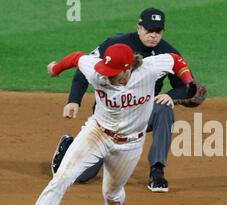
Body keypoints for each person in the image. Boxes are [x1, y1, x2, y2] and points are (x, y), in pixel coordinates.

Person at [12, 43, 201, 205]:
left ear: (128, 69)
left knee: (112, 194)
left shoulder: (150, 68)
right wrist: (56, 69)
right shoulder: (97, 71)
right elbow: (77, 57)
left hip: (129, 145)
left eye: (114, 73)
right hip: (96, 133)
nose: (107, 77)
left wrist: (188, 82)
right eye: (106, 71)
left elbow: (176, 60)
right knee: (60, 179)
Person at [51, 8, 206, 193]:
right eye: (149, 30)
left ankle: (157, 171)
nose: (153, 36)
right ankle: (70, 145)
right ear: (139, 28)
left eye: (158, 31)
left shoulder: (167, 52)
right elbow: (84, 68)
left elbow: (186, 87)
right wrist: (74, 100)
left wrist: (170, 96)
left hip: (142, 112)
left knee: (164, 109)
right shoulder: (116, 45)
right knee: (82, 177)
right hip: (108, 115)